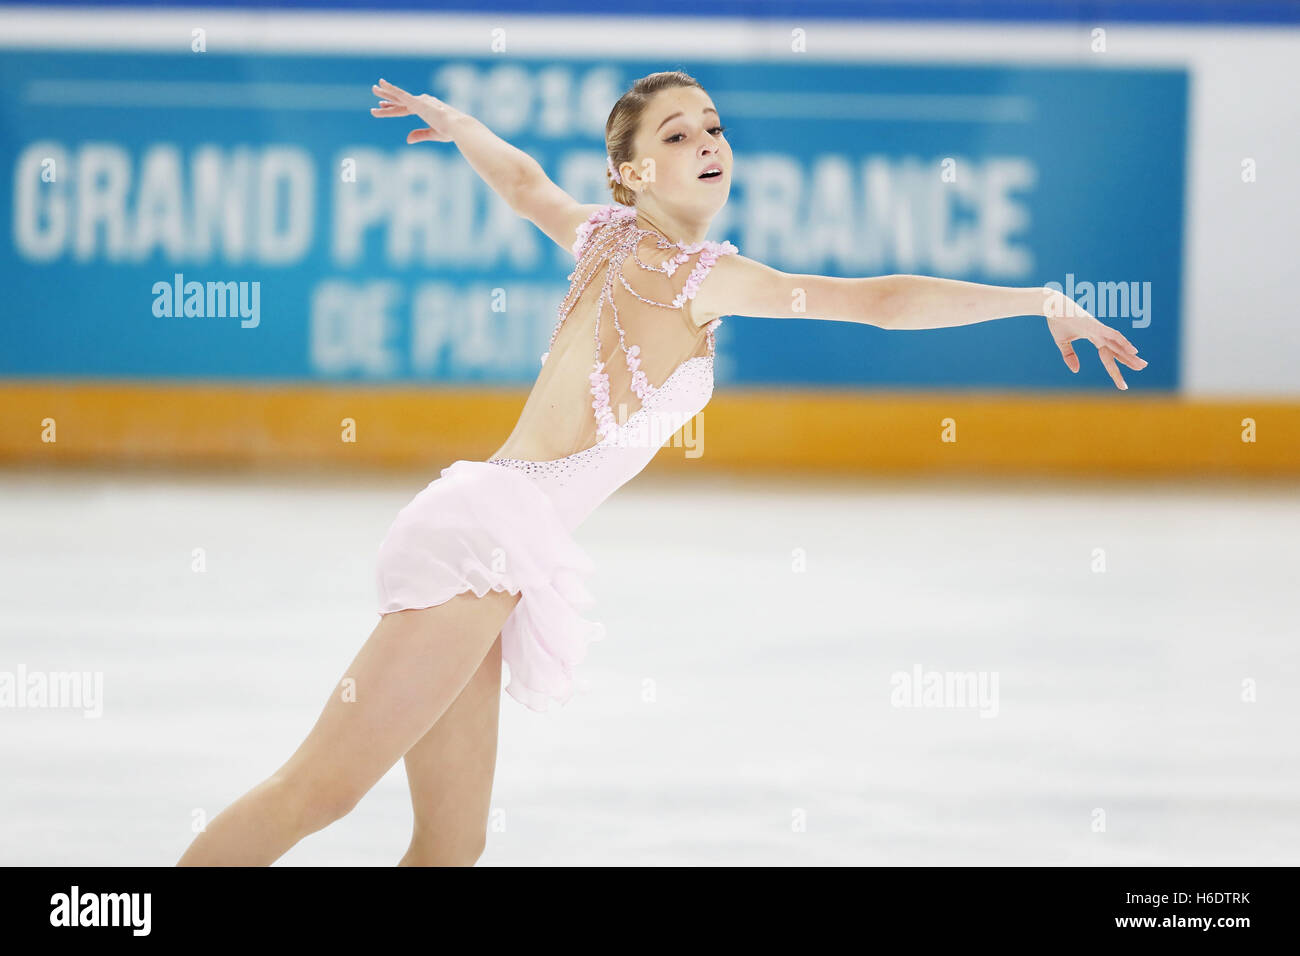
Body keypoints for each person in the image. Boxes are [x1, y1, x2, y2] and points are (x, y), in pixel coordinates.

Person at [176, 69, 1146, 868]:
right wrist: (1036, 297)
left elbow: (522, 184)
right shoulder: (698, 275)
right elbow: (881, 301)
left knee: (451, 841)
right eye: (678, 134)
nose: (708, 141)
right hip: (482, 536)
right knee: (323, 788)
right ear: (632, 170)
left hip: (496, 537)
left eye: (713, 126)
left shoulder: (601, 236)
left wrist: (460, 122)